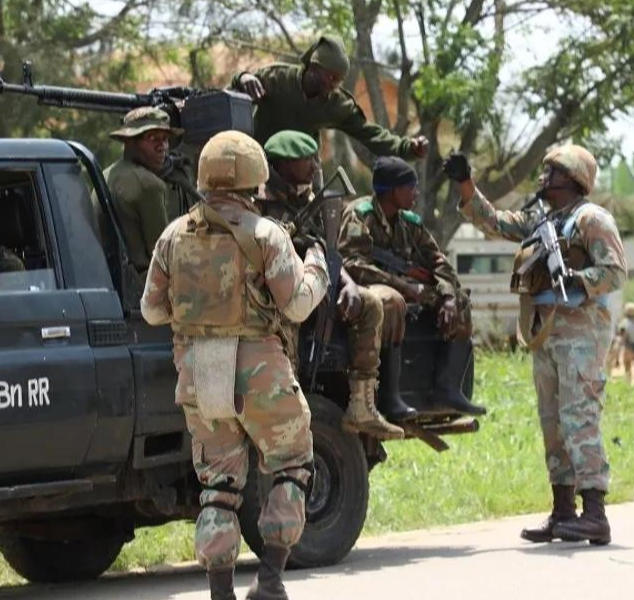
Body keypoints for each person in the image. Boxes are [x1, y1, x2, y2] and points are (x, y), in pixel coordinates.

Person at [140, 130, 329, 600]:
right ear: (254, 179)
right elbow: (298, 305)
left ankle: (220, 592)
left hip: (203, 370)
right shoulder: (267, 235)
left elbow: (152, 310)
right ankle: (269, 581)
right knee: (291, 464)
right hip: (261, 368)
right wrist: (319, 268)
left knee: (219, 486)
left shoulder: (172, 236)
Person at [445, 145, 627, 546]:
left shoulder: (591, 219)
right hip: (546, 330)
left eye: (552, 171)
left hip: (581, 332)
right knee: (552, 422)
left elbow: (614, 272)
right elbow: (492, 222)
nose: (543, 177)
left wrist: (575, 280)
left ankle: (594, 513)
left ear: (573, 177)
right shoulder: (541, 220)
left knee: (580, 416)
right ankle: (563, 511)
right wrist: (465, 183)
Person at [257, 130, 404, 439]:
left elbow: (327, 249)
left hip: (317, 281)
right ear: (282, 164)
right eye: (305, 160)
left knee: (371, 304)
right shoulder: (258, 201)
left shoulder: (313, 199)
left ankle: (361, 404)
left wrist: (348, 284)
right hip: (277, 290)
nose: (314, 165)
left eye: (315, 158)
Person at [339, 156, 486, 419]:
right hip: (368, 290)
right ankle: (389, 397)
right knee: (394, 300)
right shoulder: (360, 215)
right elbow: (351, 264)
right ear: (393, 190)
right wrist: (404, 285)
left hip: (405, 287)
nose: (416, 193)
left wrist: (448, 297)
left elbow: (438, 261)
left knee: (460, 299)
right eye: (410, 187)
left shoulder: (409, 222)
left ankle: (447, 389)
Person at [230, 36, 428, 164]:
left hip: (300, 172)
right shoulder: (277, 79)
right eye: (331, 77)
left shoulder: (337, 104)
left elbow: (371, 134)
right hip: (258, 160)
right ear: (314, 68)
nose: (334, 85)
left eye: (339, 80)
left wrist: (407, 147)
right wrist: (243, 78)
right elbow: (229, 97)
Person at [104, 107, 190, 272]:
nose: (162, 147)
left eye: (165, 139)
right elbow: (166, 256)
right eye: (152, 138)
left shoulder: (107, 174)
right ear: (129, 141)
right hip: (140, 287)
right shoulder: (149, 185)